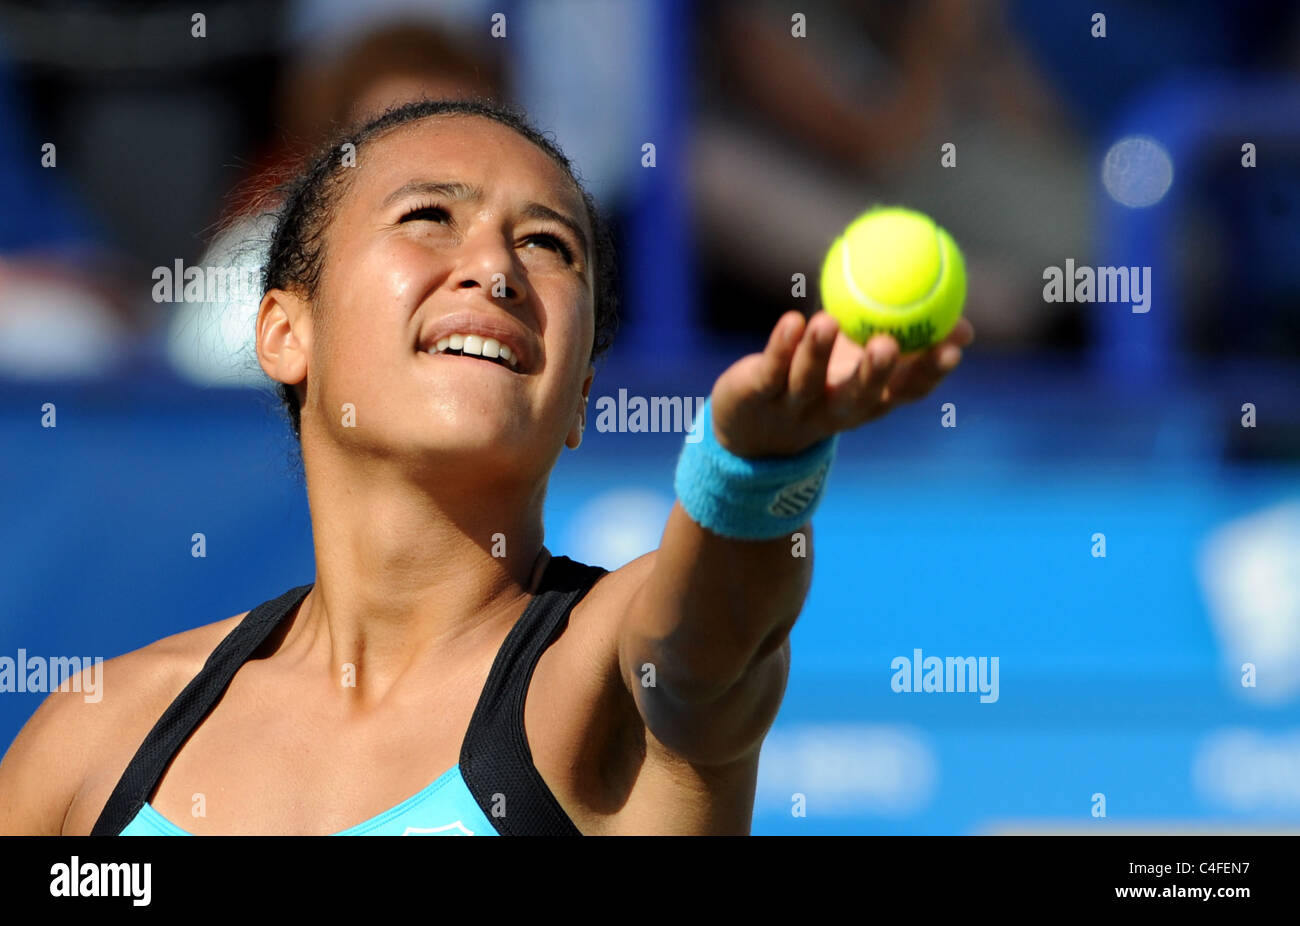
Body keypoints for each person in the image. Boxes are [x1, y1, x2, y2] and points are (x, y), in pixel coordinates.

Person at [0, 98, 973, 836]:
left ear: (583, 391)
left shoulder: (599, 678)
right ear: (285, 331)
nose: (496, 269)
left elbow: (709, 635)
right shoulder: (96, 734)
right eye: (429, 215)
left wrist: (755, 465)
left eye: (548, 244)